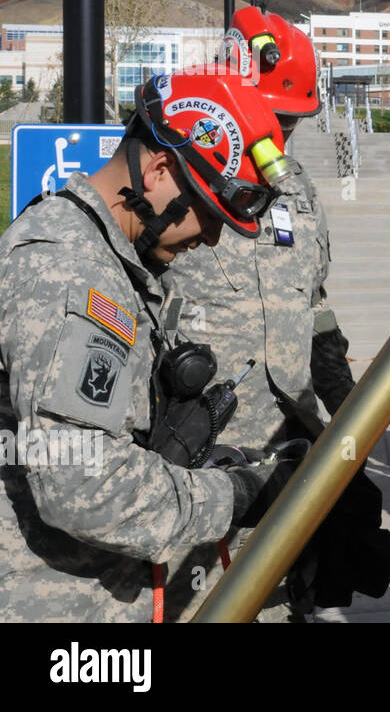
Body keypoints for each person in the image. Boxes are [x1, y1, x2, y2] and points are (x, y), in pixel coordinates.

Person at [0, 70, 297, 621]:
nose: (210, 238)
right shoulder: (70, 270)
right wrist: (236, 495)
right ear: (159, 171)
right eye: (208, 215)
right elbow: (85, 484)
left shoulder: (109, 259)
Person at [159, 9, 390, 621]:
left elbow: (315, 309)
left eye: (288, 122)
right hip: (196, 476)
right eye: (267, 114)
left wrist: (349, 417)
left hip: (288, 468)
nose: (276, 137)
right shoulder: (170, 187)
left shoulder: (299, 194)